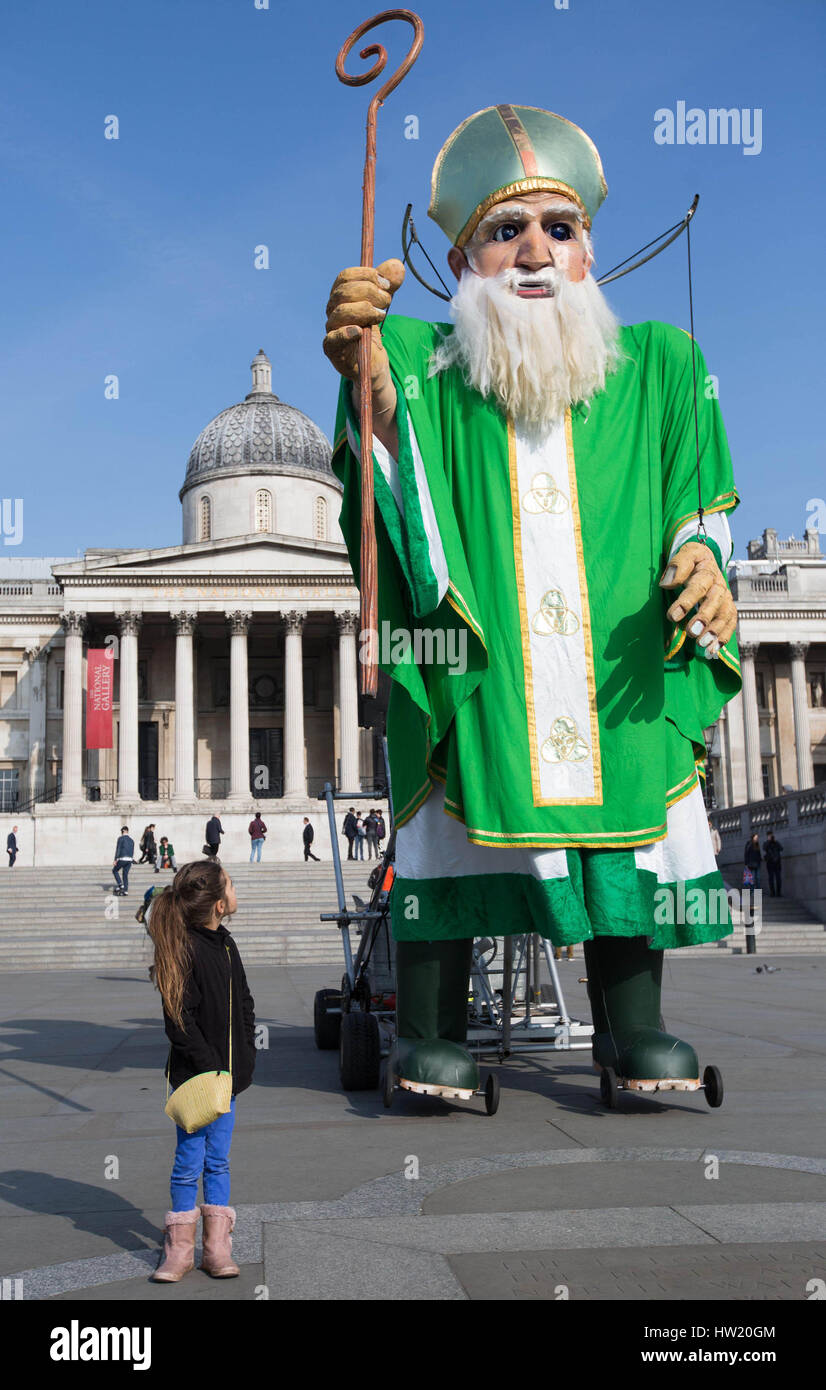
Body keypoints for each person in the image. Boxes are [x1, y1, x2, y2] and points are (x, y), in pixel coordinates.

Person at [324, 103, 742, 1099]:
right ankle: (430, 1034)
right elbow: (389, 449)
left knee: (627, 815)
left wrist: (703, 559)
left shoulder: (664, 364)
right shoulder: (424, 359)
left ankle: (632, 1030)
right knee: (450, 808)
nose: (535, 252)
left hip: (619, 658)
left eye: (560, 227)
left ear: (589, 252)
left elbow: (696, 497)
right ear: (462, 261)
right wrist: (362, 370)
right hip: (486, 656)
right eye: (504, 230)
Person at [147, 860, 256, 1282]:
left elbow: (244, 1002)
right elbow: (178, 1021)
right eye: (231, 885)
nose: (235, 891)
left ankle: (216, 1246)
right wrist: (209, 1067)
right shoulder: (184, 947)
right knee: (188, 1161)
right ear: (218, 904)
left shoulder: (227, 945)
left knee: (218, 1161)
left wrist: (246, 1054)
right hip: (196, 1078)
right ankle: (179, 1250)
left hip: (226, 1079)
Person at [112, 826, 135, 896]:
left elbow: (118, 849)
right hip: (129, 859)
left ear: (124, 831)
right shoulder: (131, 840)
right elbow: (132, 851)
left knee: (115, 870)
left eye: (122, 831)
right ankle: (125, 891)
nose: (121, 833)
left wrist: (115, 859)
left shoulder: (121, 838)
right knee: (125, 874)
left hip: (122, 858)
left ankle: (120, 885)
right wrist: (131, 859)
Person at [764, 831, 783, 897]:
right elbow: (764, 848)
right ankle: (772, 892)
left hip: (777, 863)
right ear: (767, 836)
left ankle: (778, 892)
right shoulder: (766, 843)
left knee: (778, 879)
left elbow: (781, 848)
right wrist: (769, 841)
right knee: (771, 878)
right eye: (769, 836)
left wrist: (775, 842)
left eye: (771, 835)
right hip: (770, 863)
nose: (771, 837)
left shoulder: (776, 842)